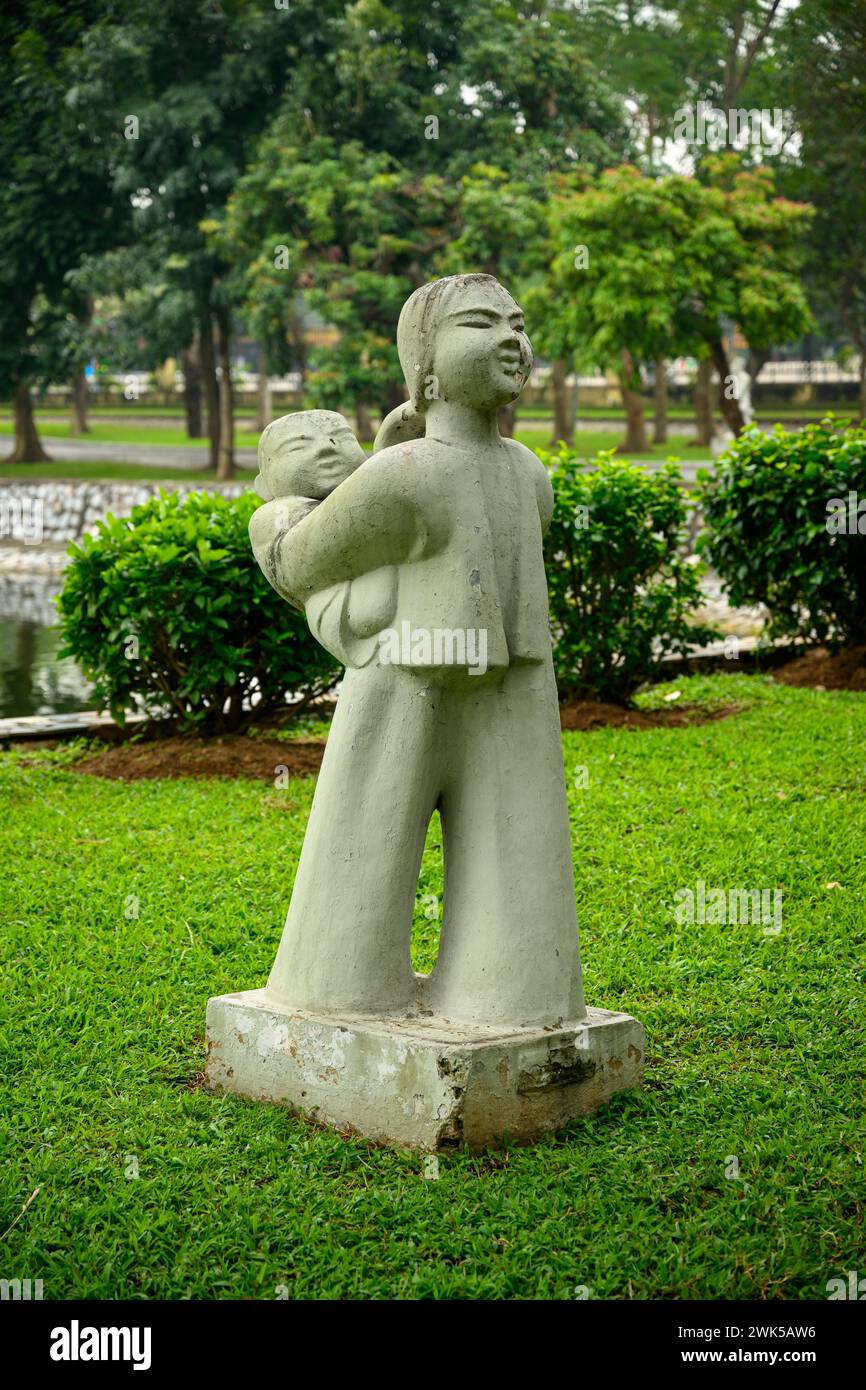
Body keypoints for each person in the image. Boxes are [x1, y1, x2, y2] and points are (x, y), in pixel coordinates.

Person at [249, 274, 585, 1029]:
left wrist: (275, 520)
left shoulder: (443, 473)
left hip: (451, 682)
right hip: (444, 686)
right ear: (424, 367)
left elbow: (298, 562)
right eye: (480, 324)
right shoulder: (487, 473)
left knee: (369, 843)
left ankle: (344, 987)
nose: (511, 339)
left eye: (518, 323)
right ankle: (508, 995)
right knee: (493, 848)